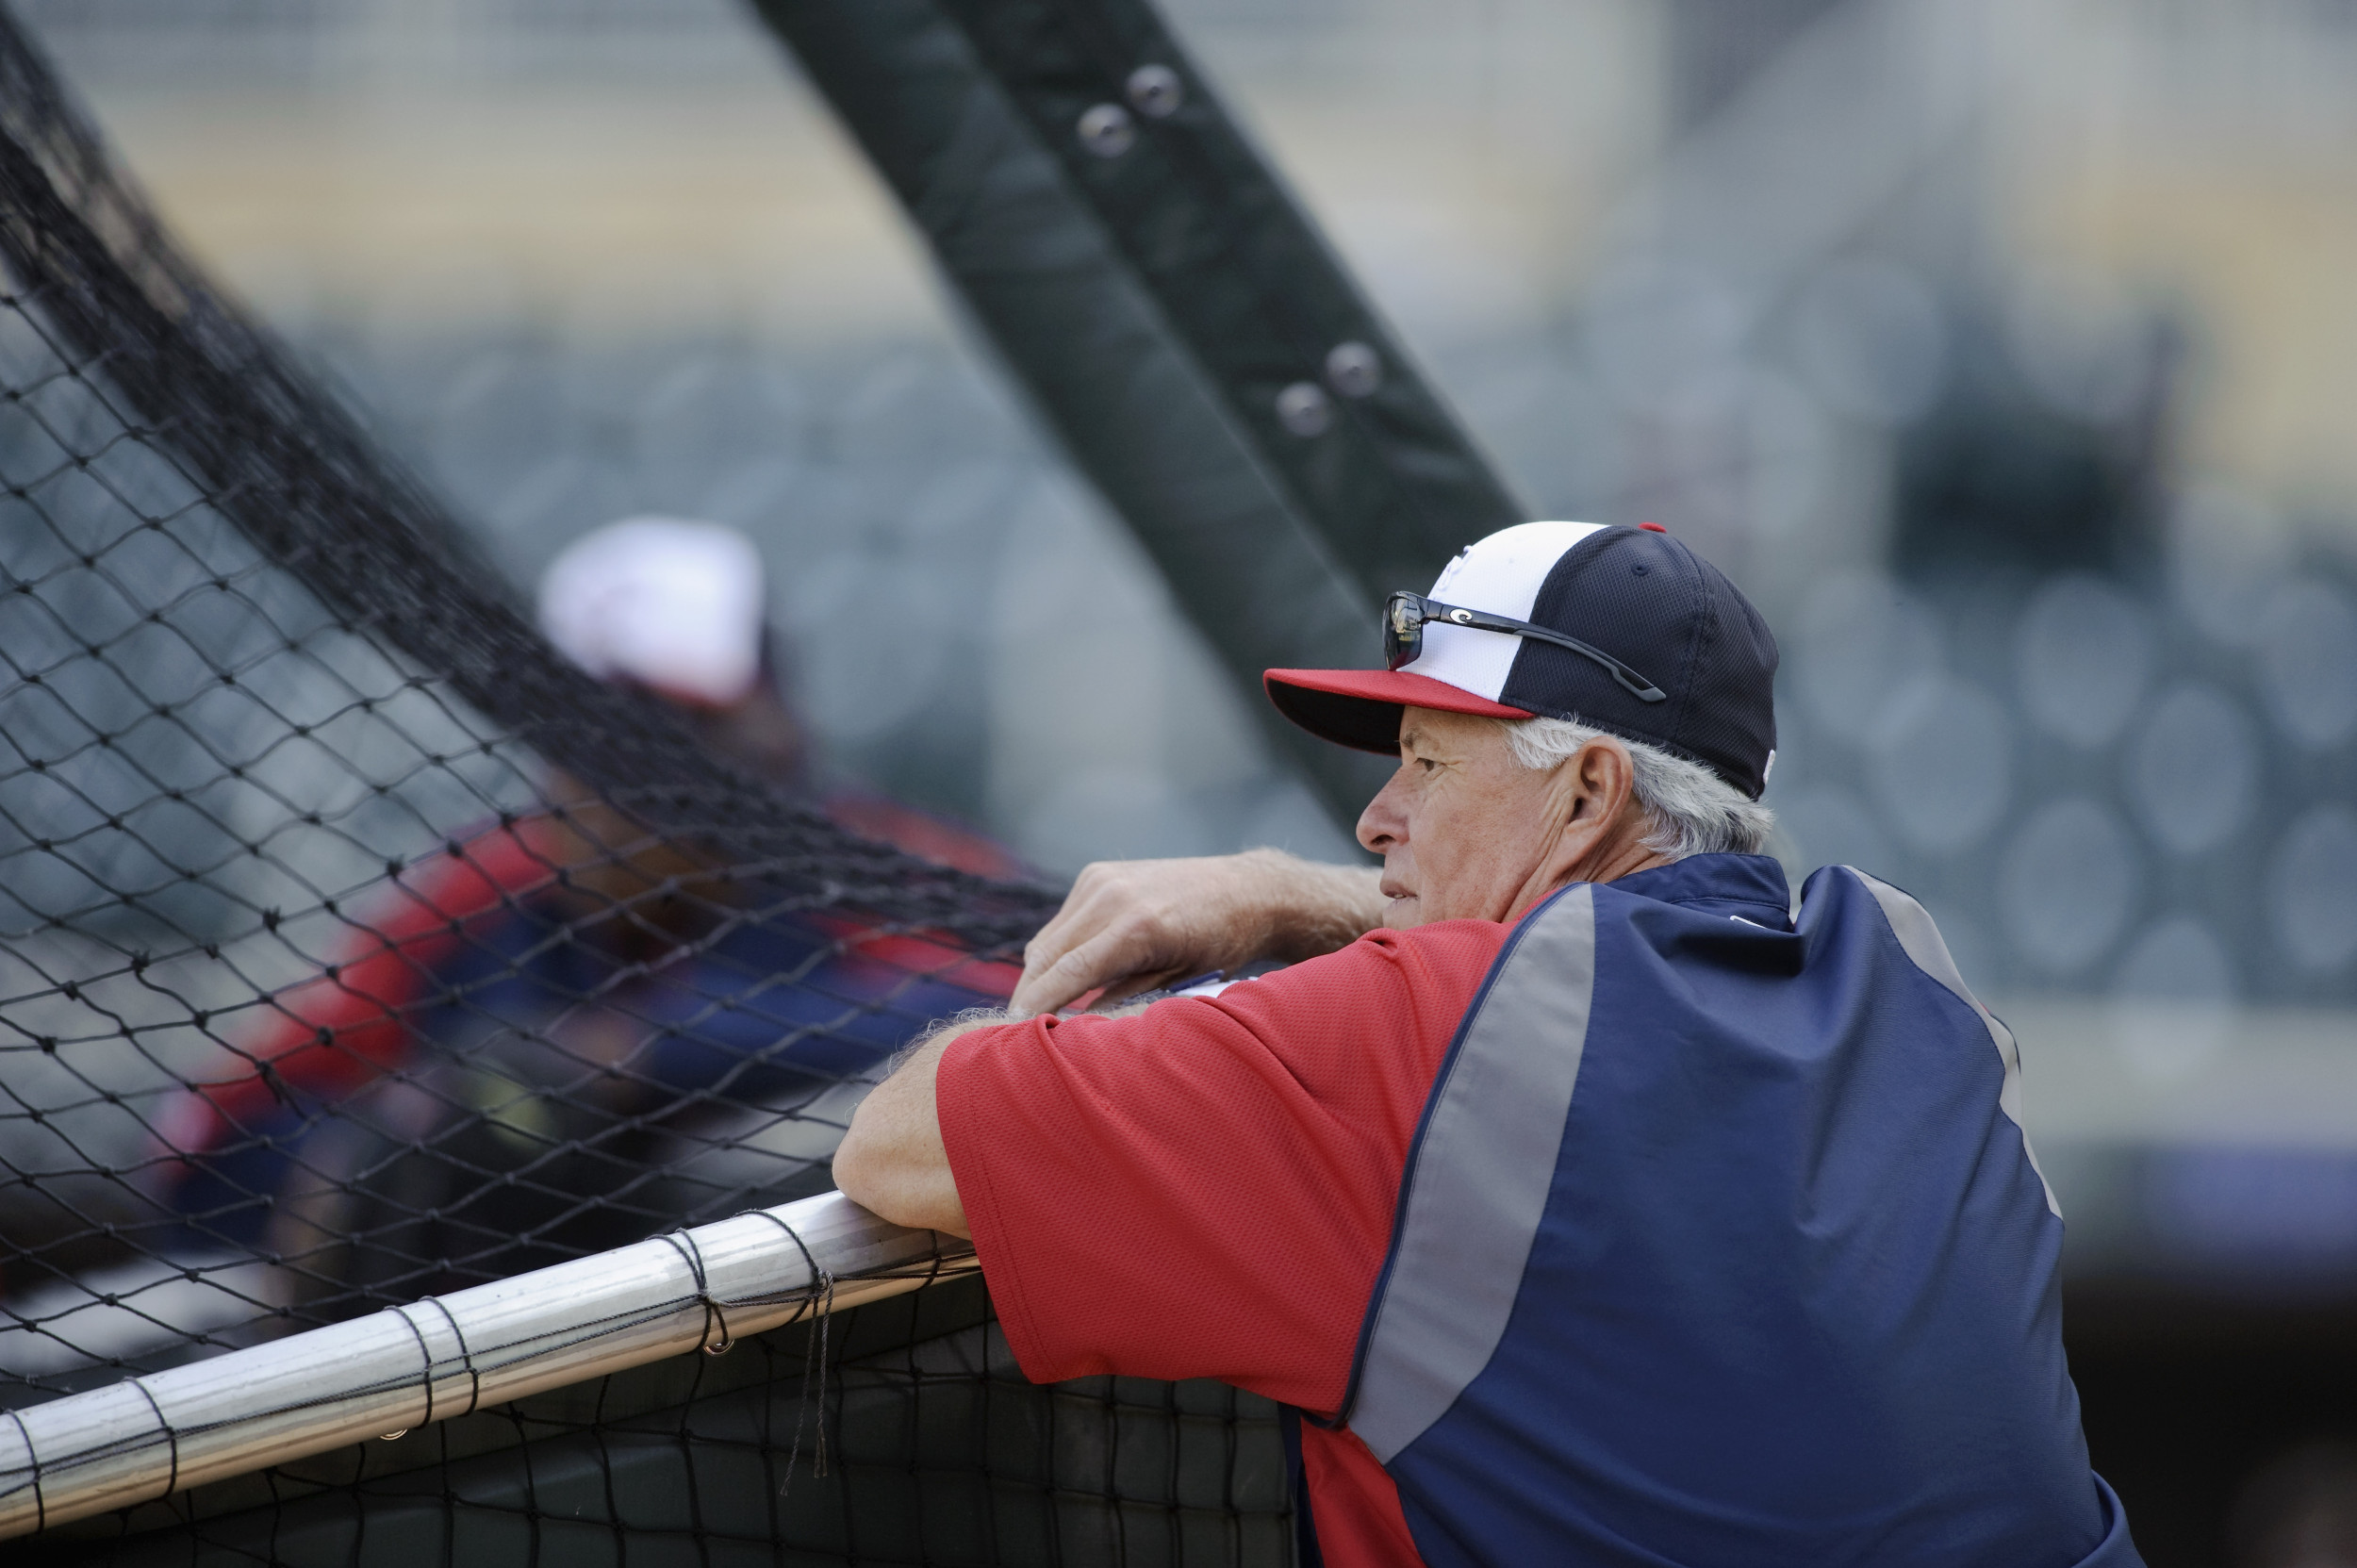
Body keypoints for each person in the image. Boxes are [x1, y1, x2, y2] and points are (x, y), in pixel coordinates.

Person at [834, 520, 2143, 1567]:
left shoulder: (1423, 1042)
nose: (1374, 818)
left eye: (1427, 760)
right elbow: (1620, 958)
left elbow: (900, 1140)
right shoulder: (1922, 999)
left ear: (1586, 793)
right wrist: (1297, 898)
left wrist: (1277, 901)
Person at [153, 517, 1020, 1289]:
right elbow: (213, 1141)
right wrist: (369, 1147)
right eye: (594, 728)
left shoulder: (878, 868)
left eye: (675, 725)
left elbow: (1033, 1012)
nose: (627, 773)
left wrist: (643, 1056)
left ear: (777, 730)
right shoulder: (479, 892)